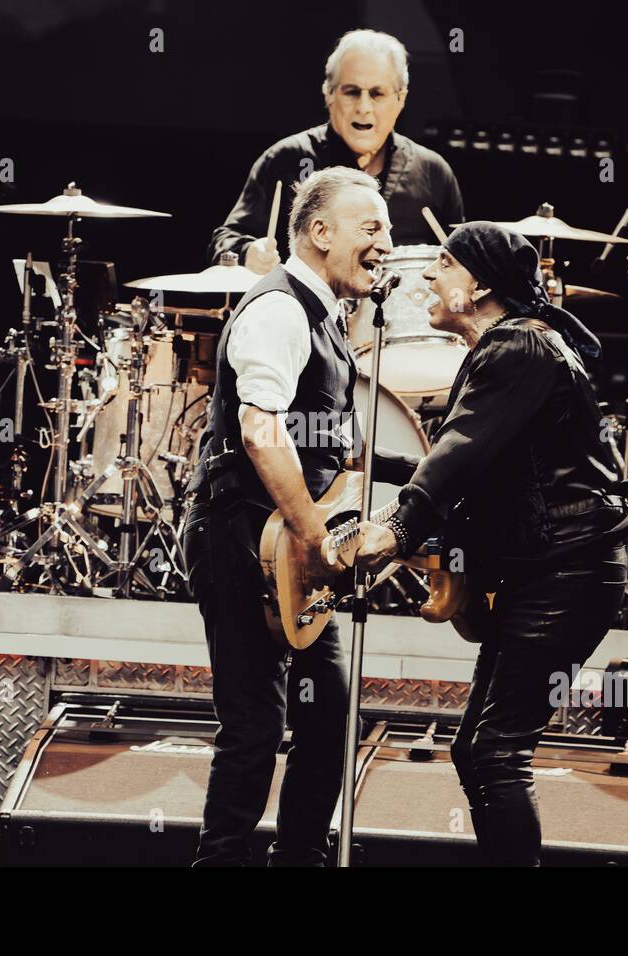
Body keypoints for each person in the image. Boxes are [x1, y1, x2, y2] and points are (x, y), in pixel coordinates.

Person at [355, 221, 628, 866]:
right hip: (554, 572)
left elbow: (461, 452)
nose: (427, 277)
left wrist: (399, 527)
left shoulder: (517, 348)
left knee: (496, 749)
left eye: (442, 264)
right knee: (478, 749)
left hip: (567, 575)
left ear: (480, 284)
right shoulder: (514, 347)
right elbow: (477, 461)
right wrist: (368, 466)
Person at [182, 167, 417, 866]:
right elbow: (260, 432)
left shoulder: (328, 319)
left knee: (328, 720)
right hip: (244, 539)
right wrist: (318, 538)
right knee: (254, 729)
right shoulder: (281, 309)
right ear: (319, 232)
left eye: (388, 229)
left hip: (292, 547)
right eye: (372, 227)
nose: (387, 243)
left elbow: (330, 459)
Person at [207, 29, 463, 273]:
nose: (363, 107)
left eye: (377, 94)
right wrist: (250, 252)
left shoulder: (433, 172)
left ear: (401, 99)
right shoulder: (285, 159)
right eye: (351, 92)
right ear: (329, 94)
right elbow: (225, 240)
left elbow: (461, 262)